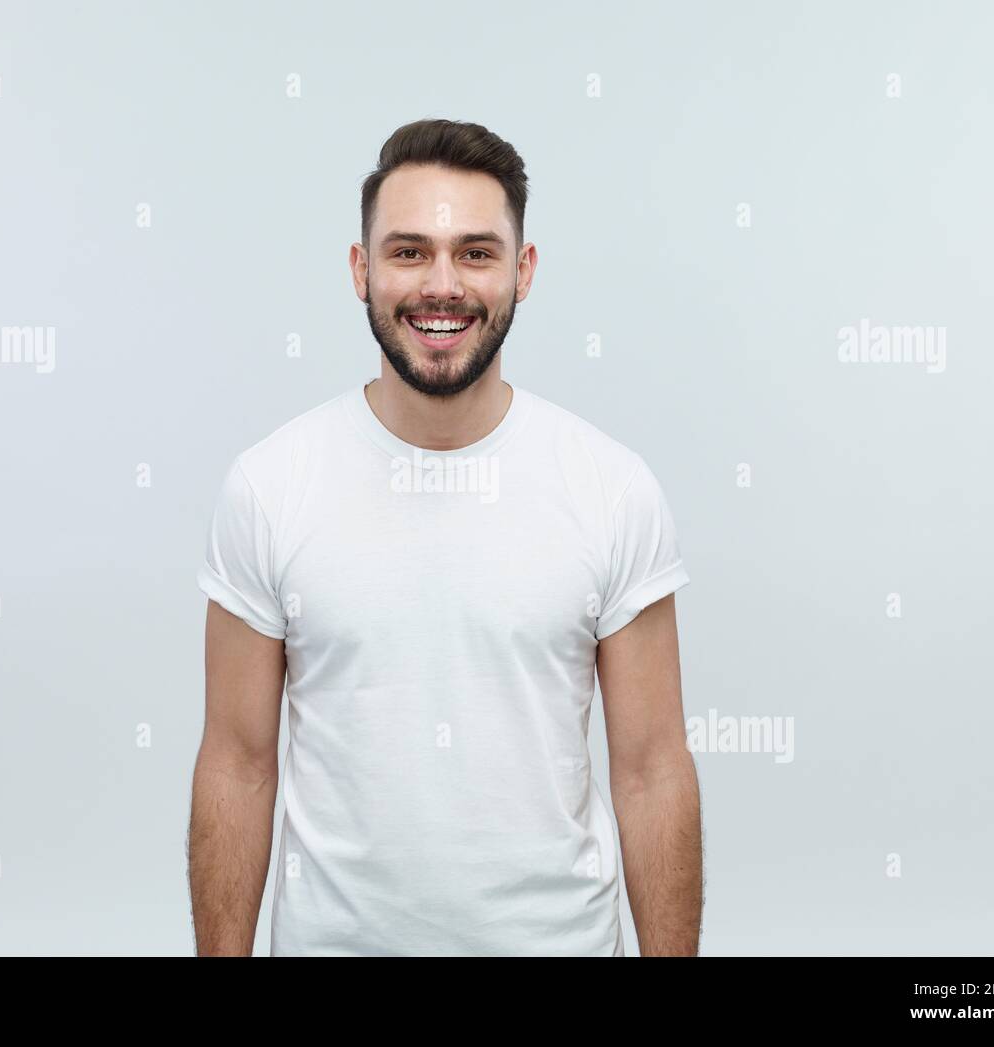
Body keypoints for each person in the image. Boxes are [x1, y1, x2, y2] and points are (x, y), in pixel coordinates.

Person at [188, 118, 702, 956]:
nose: (442, 284)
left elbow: (651, 770)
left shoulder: (611, 488)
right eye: (408, 251)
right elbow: (238, 763)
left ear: (522, 271)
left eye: (475, 252)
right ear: (361, 270)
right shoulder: (270, 486)